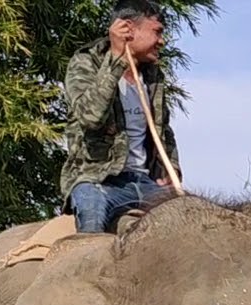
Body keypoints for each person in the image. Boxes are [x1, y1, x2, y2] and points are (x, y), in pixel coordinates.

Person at [59, 0, 182, 234]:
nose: (161, 41)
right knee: (91, 226)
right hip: (98, 181)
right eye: (157, 32)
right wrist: (116, 59)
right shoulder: (86, 62)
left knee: (192, 224)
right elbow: (90, 117)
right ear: (128, 29)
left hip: (147, 184)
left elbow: (163, 130)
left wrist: (171, 168)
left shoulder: (153, 76)